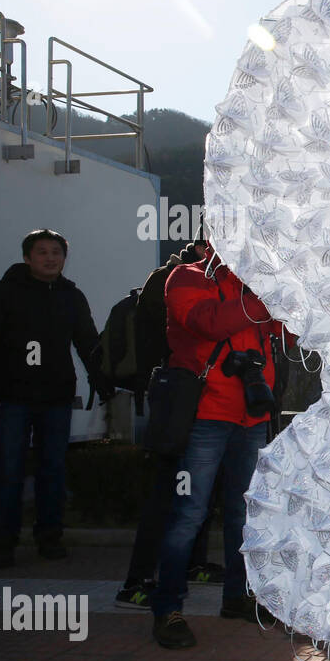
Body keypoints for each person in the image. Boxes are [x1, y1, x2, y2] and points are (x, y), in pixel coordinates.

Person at [149, 245, 289, 649]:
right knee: (188, 515)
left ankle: (237, 597)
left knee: (243, 514)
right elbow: (206, 323)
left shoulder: (258, 283)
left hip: (252, 415)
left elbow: (290, 338)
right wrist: (264, 298)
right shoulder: (189, 276)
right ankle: (168, 609)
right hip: (205, 414)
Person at [0, 229, 109, 568]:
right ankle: (2, 543)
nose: (50, 258)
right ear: (27, 257)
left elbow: (88, 344)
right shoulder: (0, 294)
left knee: (52, 471)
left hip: (55, 398)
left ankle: (50, 538)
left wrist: (106, 383)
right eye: (42, 252)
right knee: (7, 471)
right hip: (9, 399)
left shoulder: (72, 296)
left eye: (56, 252)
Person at [115, 235, 220, 609]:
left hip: (209, 405)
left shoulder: (221, 277)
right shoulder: (172, 277)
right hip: (179, 402)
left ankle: (192, 564)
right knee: (168, 493)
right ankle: (137, 580)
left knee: (200, 493)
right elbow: (170, 340)